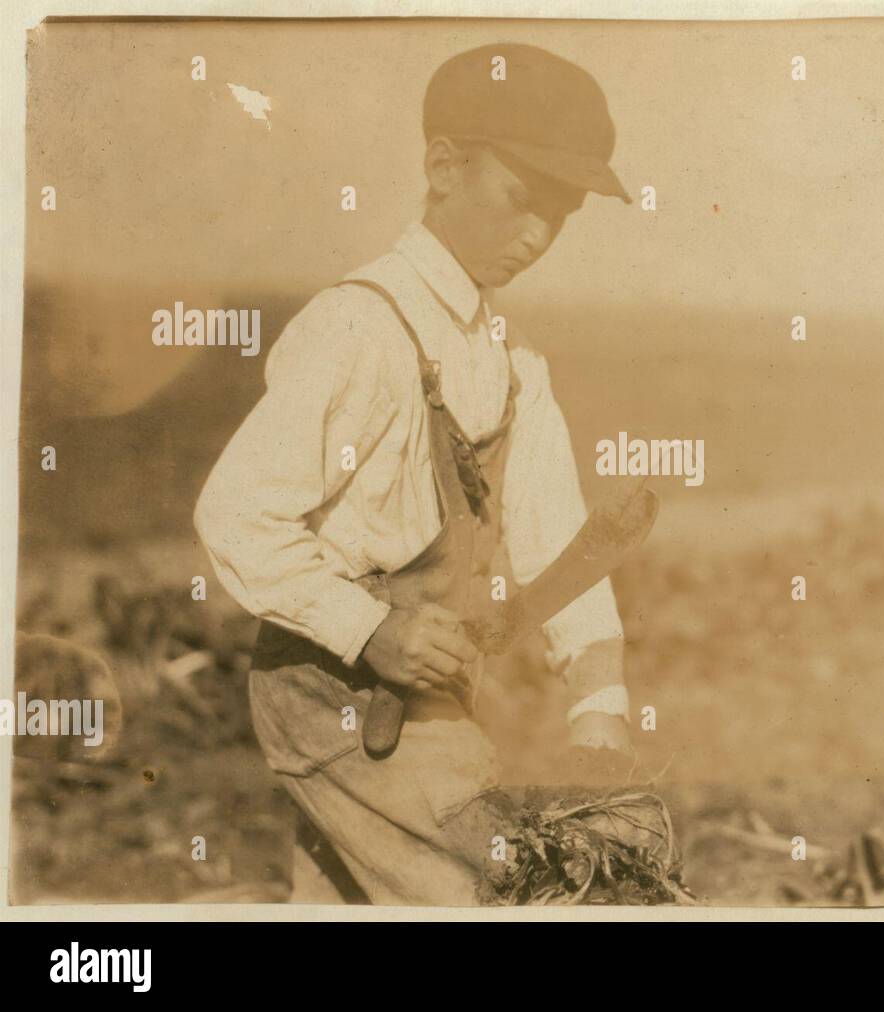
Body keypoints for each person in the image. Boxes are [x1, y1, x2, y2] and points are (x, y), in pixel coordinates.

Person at [194, 43, 635, 905]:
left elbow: (563, 551)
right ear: (442, 167)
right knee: (511, 888)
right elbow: (237, 514)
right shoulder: (358, 328)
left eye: (562, 215)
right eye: (521, 201)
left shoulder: (513, 369)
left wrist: (601, 705)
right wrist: (370, 627)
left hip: (424, 707)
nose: (538, 235)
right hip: (331, 697)